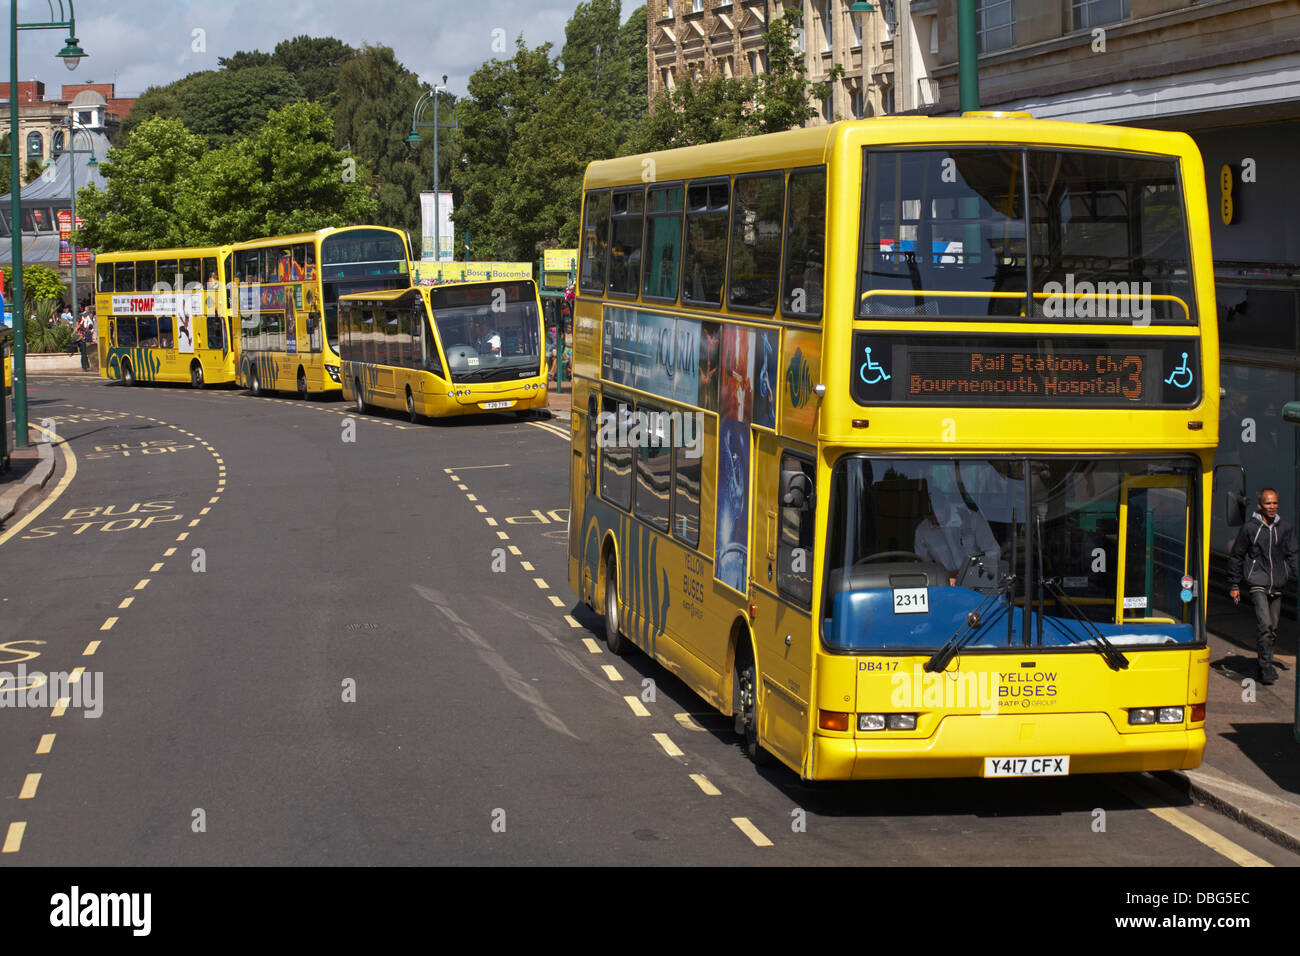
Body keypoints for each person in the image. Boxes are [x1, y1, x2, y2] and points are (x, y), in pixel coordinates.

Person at [1228, 488, 1298, 685]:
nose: (1272, 507)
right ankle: (1265, 666)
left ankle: (1264, 659)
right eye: (1268, 503)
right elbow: (1237, 556)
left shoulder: (1284, 527)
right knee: (1265, 624)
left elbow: (1293, 554)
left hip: (1278, 584)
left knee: (1273, 627)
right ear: (1260, 505)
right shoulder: (1250, 528)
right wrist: (1234, 584)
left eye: (1275, 503)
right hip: (1257, 582)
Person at [915, 490, 1000, 586]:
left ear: (946, 504)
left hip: (977, 583)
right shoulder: (922, 531)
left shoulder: (972, 519)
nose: (935, 521)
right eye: (930, 518)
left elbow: (993, 552)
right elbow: (923, 565)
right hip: (946, 586)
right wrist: (941, 576)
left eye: (939, 515)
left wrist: (973, 572)